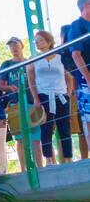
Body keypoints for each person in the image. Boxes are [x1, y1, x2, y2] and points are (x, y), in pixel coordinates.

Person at [28, 30, 72, 166]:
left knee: (64, 127)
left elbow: (69, 76)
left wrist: (68, 93)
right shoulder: (33, 60)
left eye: (40, 40)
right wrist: (35, 98)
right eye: (36, 40)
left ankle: (68, 158)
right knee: (46, 129)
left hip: (61, 96)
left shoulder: (59, 58)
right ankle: (49, 159)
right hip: (44, 96)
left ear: (49, 41)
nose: (37, 43)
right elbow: (31, 80)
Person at [0, 35, 41, 170]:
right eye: (11, 46)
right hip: (15, 103)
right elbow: (1, 85)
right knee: (20, 137)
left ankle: (39, 165)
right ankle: (23, 167)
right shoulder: (7, 64)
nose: (13, 48)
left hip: (30, 101)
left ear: (22, 46)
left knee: (35, 135)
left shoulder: (30, 62)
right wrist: (9, 88)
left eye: (15, 45)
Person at [60, 23, 89, 159]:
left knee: (75, 128)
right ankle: (83, 157)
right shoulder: (74, 51)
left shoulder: (61, 53)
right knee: (82, 127)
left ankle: (74, 158)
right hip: (75, 91)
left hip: (72, 92)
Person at [67, 0, 90, 147]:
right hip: (85, 80)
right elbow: (76, 54)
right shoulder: (77, 26)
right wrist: (88, 77)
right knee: (88, 116)